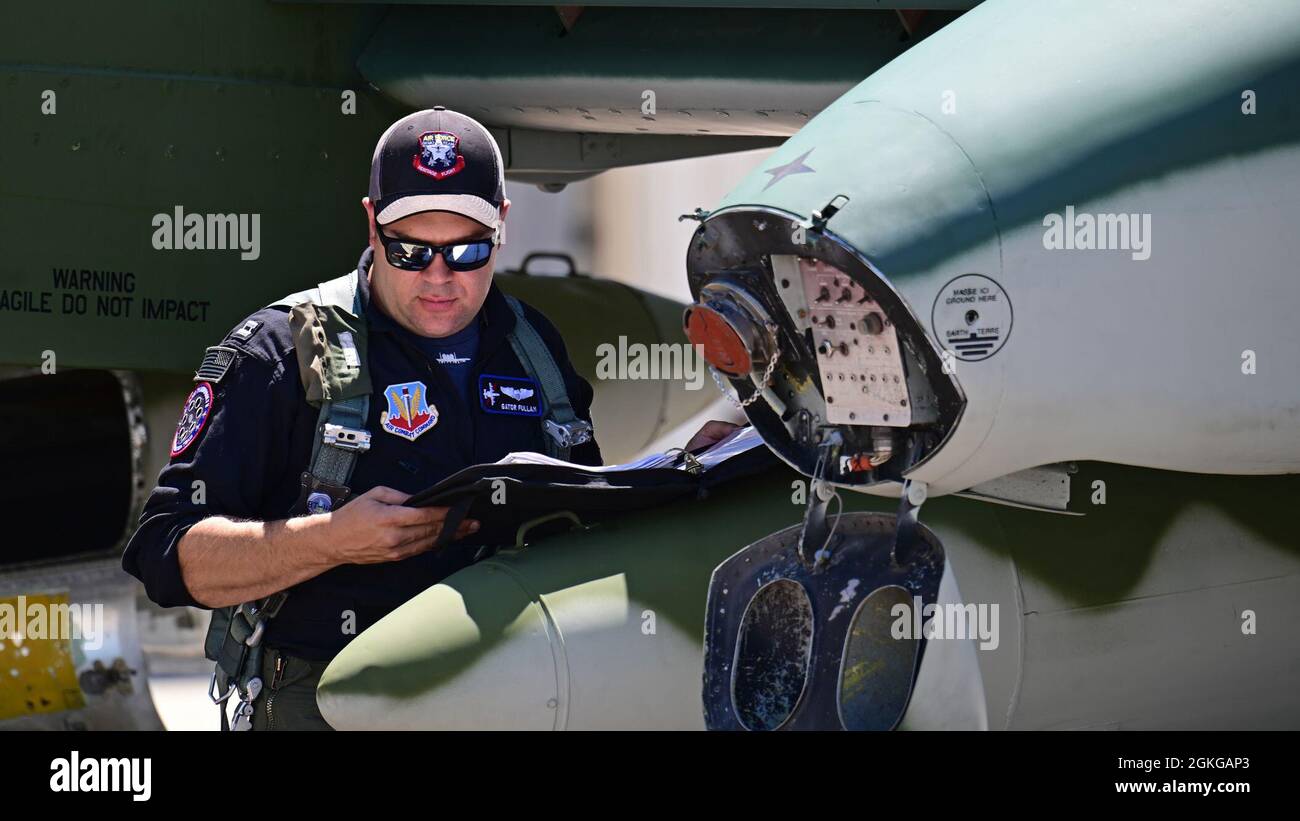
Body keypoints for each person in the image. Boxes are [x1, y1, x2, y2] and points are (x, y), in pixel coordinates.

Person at [122, 107, 736, 730]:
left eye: (467, 251)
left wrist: (688, 478)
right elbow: (166, 556)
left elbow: (584, 530)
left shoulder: (534, 347)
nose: (440, 279)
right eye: (410, 251)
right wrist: (331, 541)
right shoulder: (282, 351)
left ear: (502, 226)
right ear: (371, 225)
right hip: (328, 700)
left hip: (512, 692)